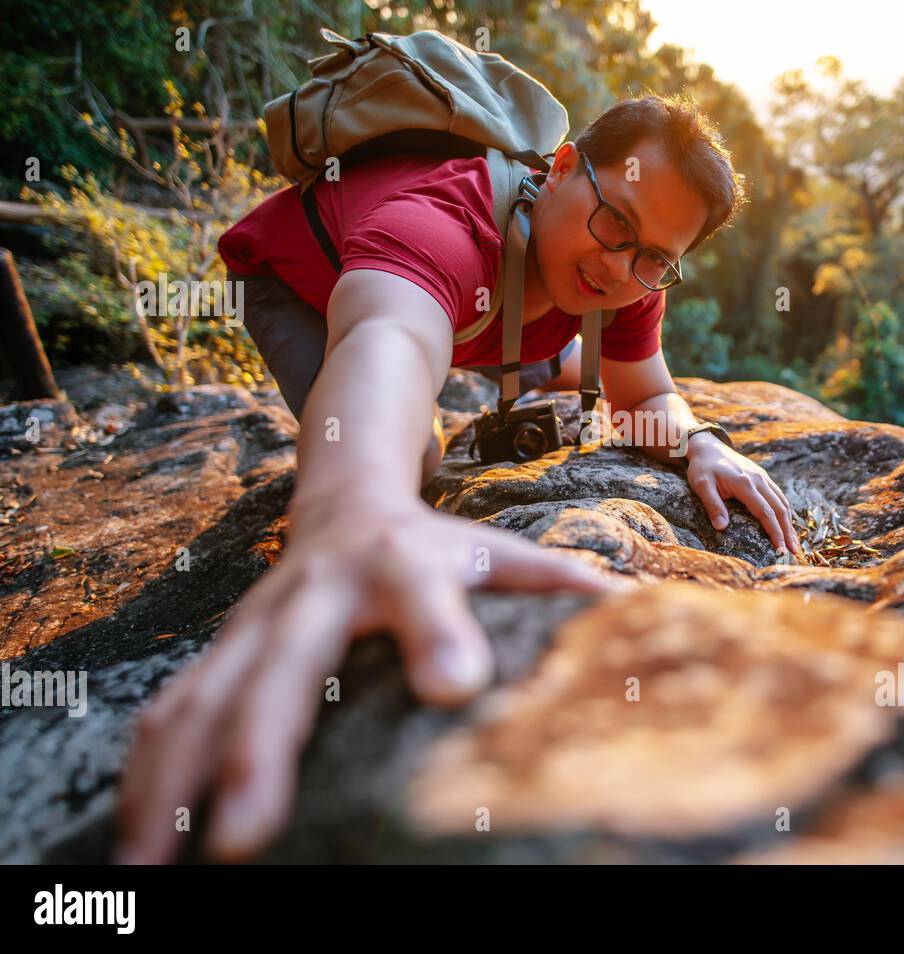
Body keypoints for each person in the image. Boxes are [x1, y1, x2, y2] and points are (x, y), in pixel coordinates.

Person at [115, 94, 800, 864]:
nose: (619, 266)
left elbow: (644, 396)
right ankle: (527, 368)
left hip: (472, 309)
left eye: (652, 259)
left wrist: (703, 443)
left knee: (564, 356)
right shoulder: (445, 222)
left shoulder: (626, 278)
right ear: (565, 167)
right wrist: (355, 513)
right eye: (616, 224)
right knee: (415, 463)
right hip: (307, 286)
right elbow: (390, 332)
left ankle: (548, 360)